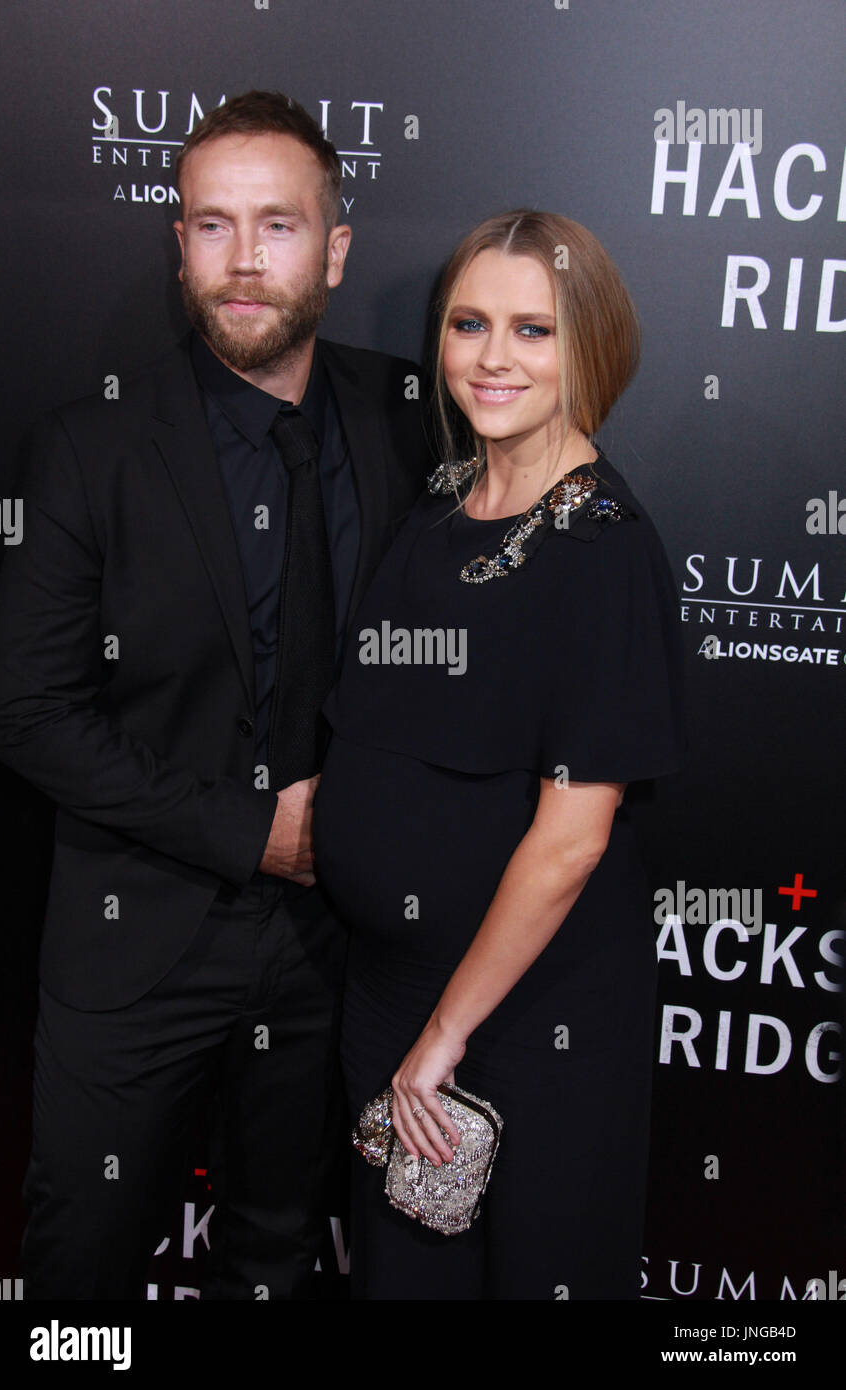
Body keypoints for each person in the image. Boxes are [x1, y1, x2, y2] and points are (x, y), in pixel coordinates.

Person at [0, 90, 429, 1300]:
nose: (243, 263)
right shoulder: (89, 447)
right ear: (176, 244)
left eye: (277, 226)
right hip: (139, 946)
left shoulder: (409, 419)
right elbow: (27, 711)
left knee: (278, 1253)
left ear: (334, 250)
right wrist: (255, 832)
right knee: (81, 1271)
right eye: (211, 226)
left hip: (331, 948)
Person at [313, 209, 686, 1300]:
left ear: (590, 348)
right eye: (468, 323)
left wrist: (442, 1036)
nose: (489, 357)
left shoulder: (604, 548)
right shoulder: (441, 502)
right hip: (393, 996)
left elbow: (569, 844)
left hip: (526, 1021)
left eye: (531, 330)